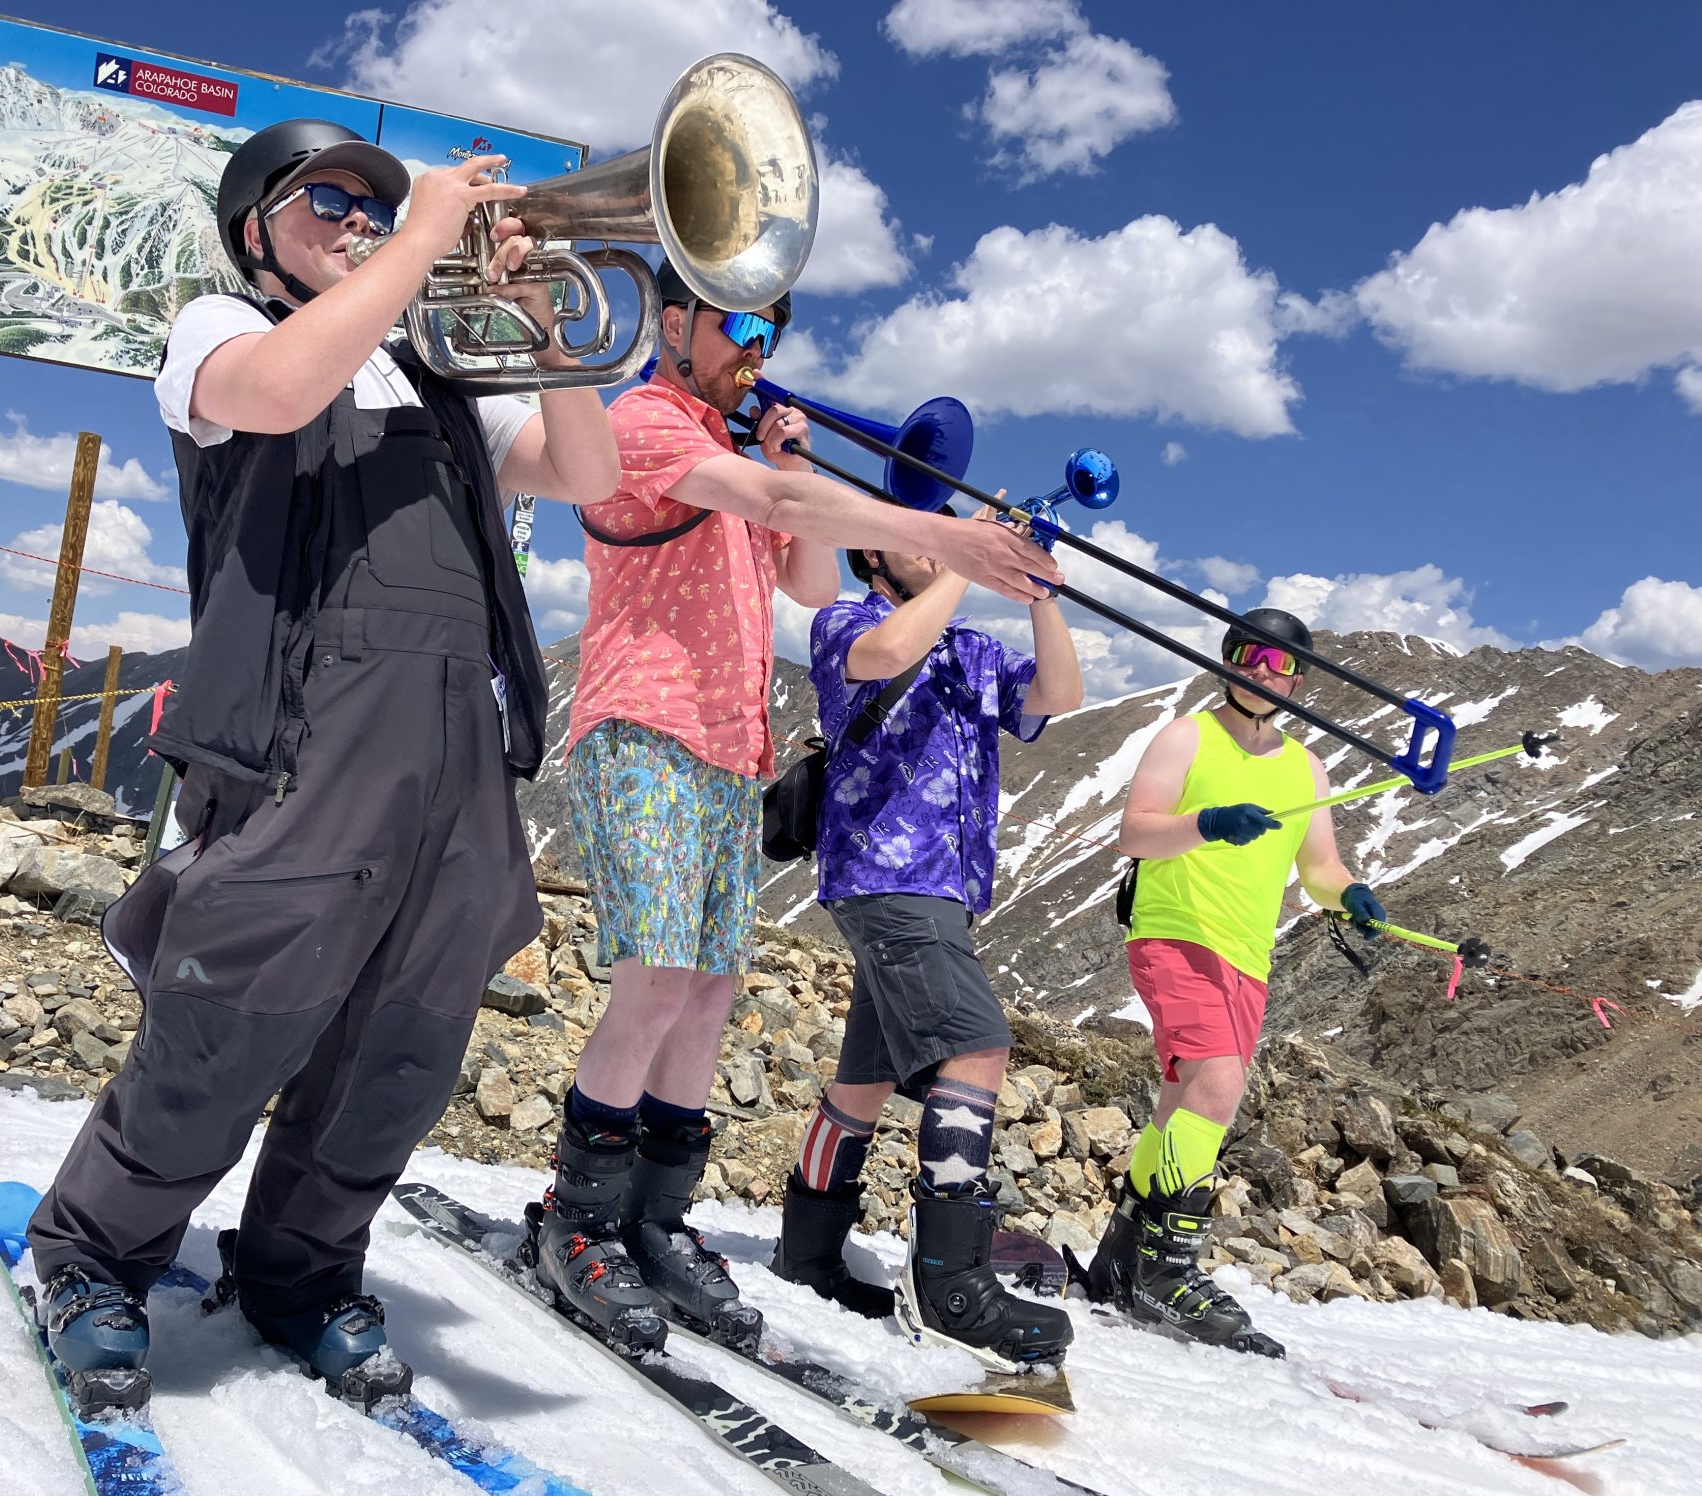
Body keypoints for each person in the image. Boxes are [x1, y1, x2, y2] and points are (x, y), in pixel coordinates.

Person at [24, 119, 620, 1408]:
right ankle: (88, 1253)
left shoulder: (442, 374)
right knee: (233, 1015)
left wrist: (542, 327)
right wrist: (414, 241)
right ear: (255, 230)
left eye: (376, 201)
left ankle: (302, 1266)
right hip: (304, 730)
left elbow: (590, 472)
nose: (358, 215)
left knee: (404, 1042)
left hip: (457, 743)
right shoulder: (215, 329)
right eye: (327, 200)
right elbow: (282, 394)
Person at [529, 259, 1066, 1355]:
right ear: (669, 321)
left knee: (710, 987)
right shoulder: (643, 421)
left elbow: (811, 581)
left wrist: (791, 460)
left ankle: (656, 1218)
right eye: (737, 324)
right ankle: (577, 1220)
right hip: (645, 724)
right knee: (657, 977)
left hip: (729, 747)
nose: (756, 350)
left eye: (770, 330)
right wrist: (944, 541)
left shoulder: (728, 451)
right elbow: (779, 514)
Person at [768, 499, 1084, 1371]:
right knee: (978, 1047)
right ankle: (951, 1282)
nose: (939, 549)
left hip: (939, 888)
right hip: (888, 874)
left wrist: (1040, 591)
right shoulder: (847, 621)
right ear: (877, 552)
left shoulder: (969, 649)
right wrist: (958, 561)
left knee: (865, 1078)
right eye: (919, 537)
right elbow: (887, 656)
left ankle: (808, 1250)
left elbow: (1059, 694)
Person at [1080, 608, 1387, 1357]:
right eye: (1252, 657)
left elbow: (1317, 866)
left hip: (1247, 959)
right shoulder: (1188, 736)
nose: (1266, 674)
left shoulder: (1303, 766)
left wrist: (1348, 893)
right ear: (1228, 661)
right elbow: (1137, 830)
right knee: (1217, 1086)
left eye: (1283, 666)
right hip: (1174, 934)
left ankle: (1121, 1255)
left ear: (1301, 680)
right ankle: (1166, 1269)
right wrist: (1209, 822)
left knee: (1182, 1101)